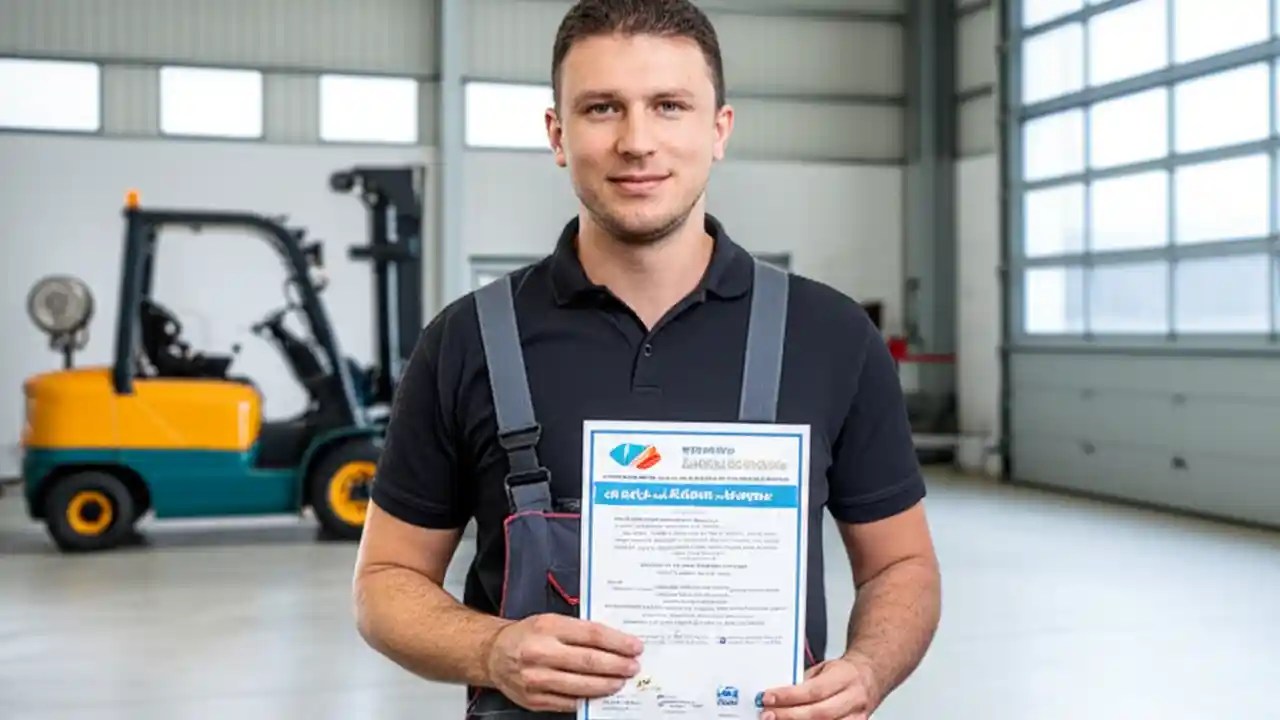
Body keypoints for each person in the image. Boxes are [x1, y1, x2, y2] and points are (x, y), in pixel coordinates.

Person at [352, 0, 942, 718]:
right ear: (557, 134)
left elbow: (900, 564)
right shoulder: (467, 339)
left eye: (669, 105)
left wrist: (870, 670)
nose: (637, 141)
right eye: (602, 108)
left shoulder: (832, 336)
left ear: (718, 129)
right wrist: (490, 650)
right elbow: (385, 580)